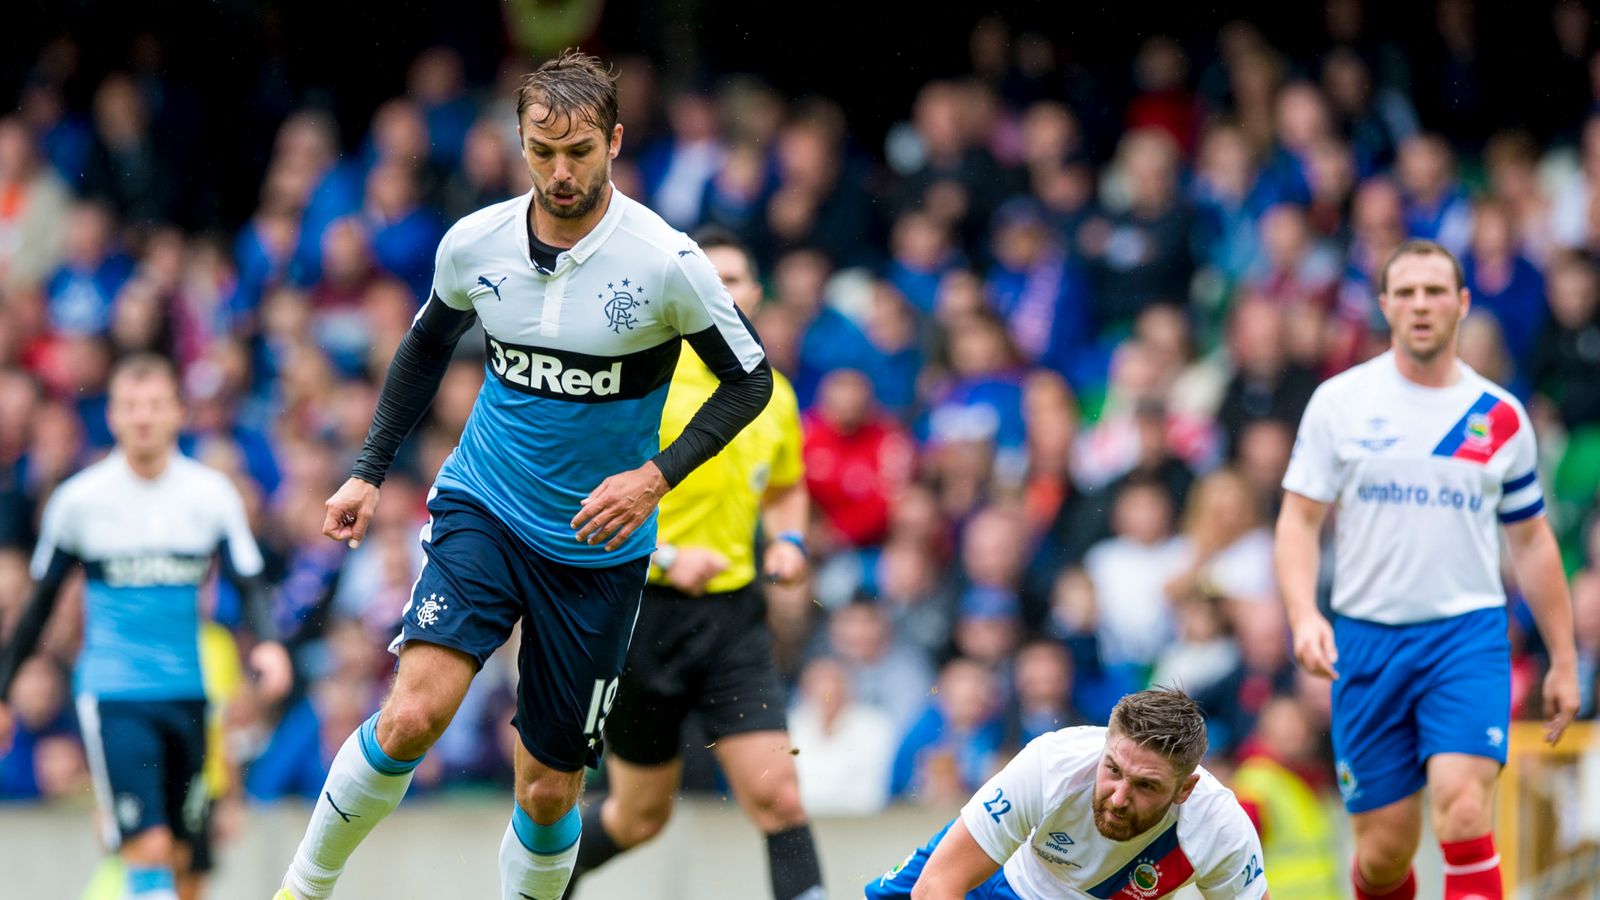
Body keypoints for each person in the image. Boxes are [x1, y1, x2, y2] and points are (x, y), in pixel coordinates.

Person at [276, 50, 772, 900]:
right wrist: (366, 472)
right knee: (410, 716)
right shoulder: (477, 241)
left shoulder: (667, 261)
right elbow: (428, 343)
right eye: (542, 153)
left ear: (614, 141)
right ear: (519, 143)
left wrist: (654, 477)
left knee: (546, 791)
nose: (560, 172)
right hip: (487, 505)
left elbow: (750, 379)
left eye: (579, 151)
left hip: (596, 548)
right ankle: (303, 888)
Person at [1275, 238, 1580, 900]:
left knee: (1465, 810)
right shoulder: (1340, 402)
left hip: (1465, 637)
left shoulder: (1499, 416)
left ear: (1462, 303)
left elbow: (1531, 543)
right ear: (1384, 304)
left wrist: (1562, 658)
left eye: (1436, 291)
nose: (1421, 305)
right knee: (1385, 854)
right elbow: (1298, 521)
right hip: (1366, 640)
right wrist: (1303, 616)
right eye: (1406, 292)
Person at [562, 226, 822, 899]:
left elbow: (788, 486)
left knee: (780, 798)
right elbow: (574, 494)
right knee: (638, 815)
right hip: (640, 617)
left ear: (756, 292)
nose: (723, 292)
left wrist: (788, 543)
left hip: (733, 619)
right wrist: (669, 556)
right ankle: (537, 885)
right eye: (712, 280)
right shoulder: (641, 384)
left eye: (734, 279)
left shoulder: (776, 393)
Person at [0, 353, 291, 900]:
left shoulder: (209, 495)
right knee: (148, 848)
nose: (143, 418)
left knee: (186, 862)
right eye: (131, 406)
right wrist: (4, 692)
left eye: (155, 405)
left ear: (178, 413)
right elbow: (38, 604)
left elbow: (250, 580)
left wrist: (270, 647)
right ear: (111, 416)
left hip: (189, 696)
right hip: (115, 695)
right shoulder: (80, 502)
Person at [866, 688, 1267, 899]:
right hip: (997, 876)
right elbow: (936, 887)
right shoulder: (1052, 763)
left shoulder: (1220, 828)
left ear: (1185, 789)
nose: (1118, 797)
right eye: (1112, 770)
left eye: (1146, 785)